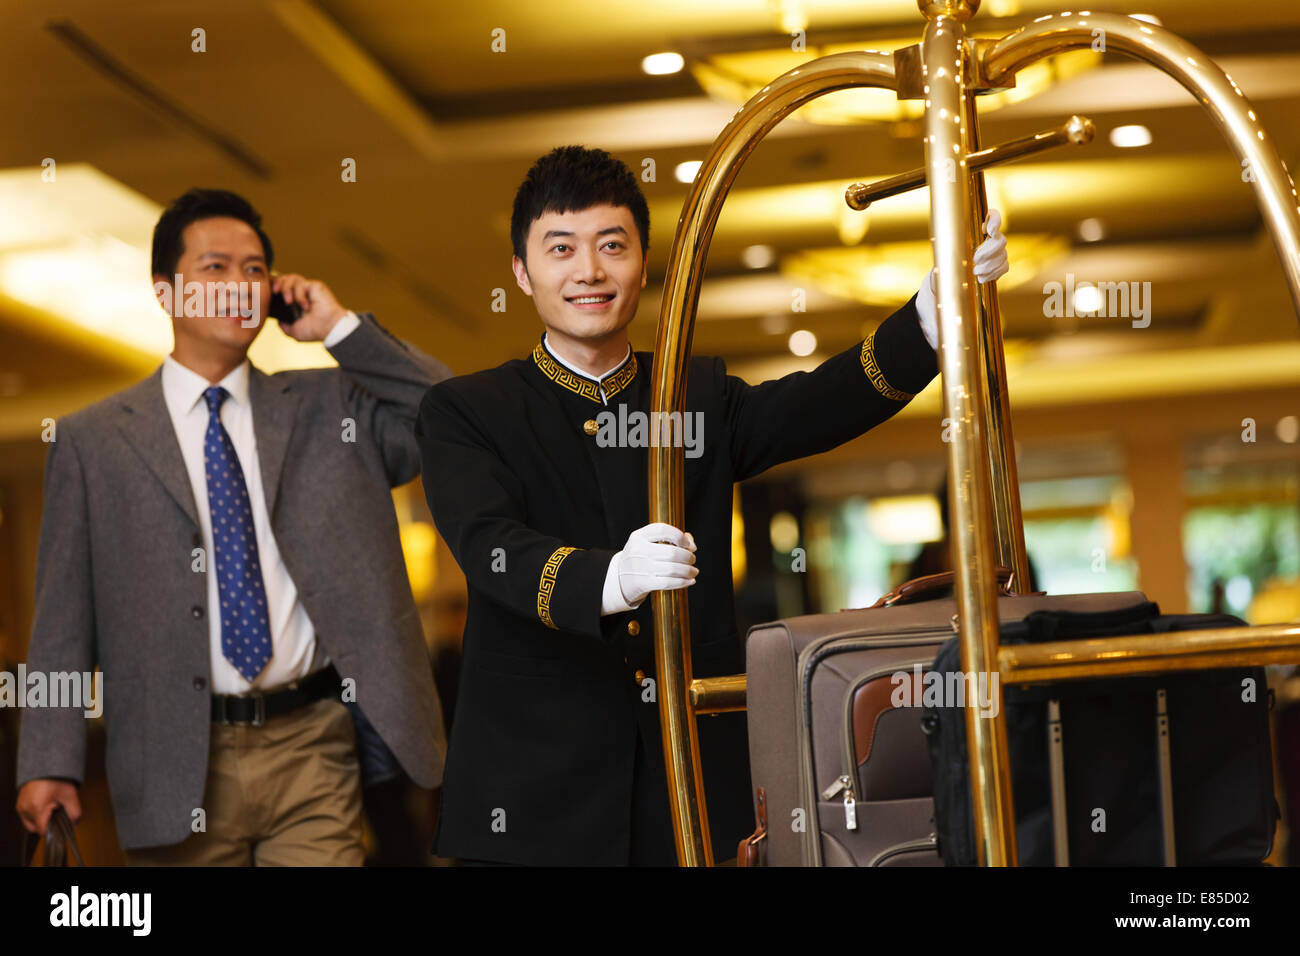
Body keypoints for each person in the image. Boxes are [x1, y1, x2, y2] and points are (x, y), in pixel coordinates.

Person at [415, 145, 1010, 865]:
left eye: (612, 246)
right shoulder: (470, 411)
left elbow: (814, 406)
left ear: (643, 260)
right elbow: (489, 546)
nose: (589, 271)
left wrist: (924, 321)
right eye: (561, 249)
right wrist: (610, 579)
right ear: (521, 271)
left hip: (690, 776)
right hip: (536, 795)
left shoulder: (692, 396)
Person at [16, 188, 450, 865]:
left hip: (312, 742)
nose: (239, 286)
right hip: (171, 757)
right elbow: (61, 624)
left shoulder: (328, 407)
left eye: (255, 271)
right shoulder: (92, 442)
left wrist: (338, 328)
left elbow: (448, 422)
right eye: (215, 268)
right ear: (165, 292)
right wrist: (48, 758)